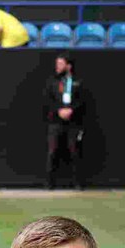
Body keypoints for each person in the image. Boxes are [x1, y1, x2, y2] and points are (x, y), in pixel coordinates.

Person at [42, 54, 88, 189]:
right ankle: (49, 183)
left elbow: (82, 101)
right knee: (52, 151)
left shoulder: (78, 82)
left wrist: (71, 110)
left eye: (61, 64)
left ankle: (77, 183)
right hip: (55, 121)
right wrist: (59, 111)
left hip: (73, 122)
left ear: (68, 66)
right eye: (57, 64)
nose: (58, 66)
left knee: (74, 151)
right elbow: (47, 100)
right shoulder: (51, 82)